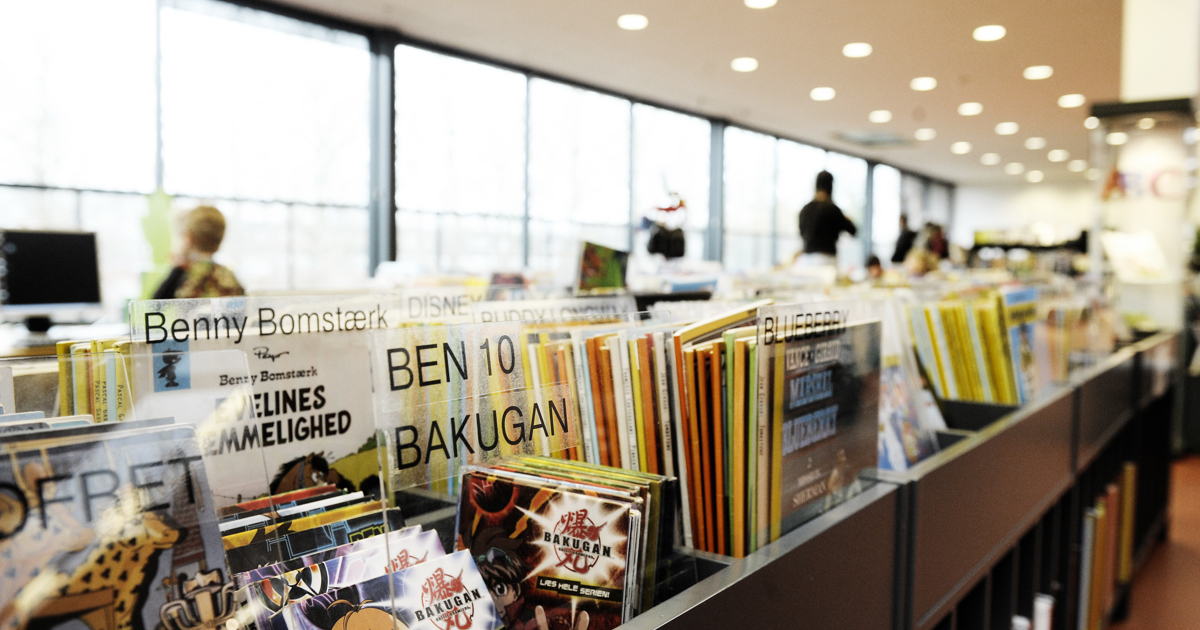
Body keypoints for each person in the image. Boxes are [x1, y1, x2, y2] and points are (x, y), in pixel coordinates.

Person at [152, 205, 245, 299]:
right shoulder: (228, 275)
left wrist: (176, 270)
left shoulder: (187, 277)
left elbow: (155, 304)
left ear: (188, 238)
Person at [797, 171, 857, 266]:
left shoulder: (805, 210)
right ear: (831, 186)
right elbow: (853, 230)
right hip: (826, 261)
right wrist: (847, 219)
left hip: (806, 261)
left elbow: (801, 234)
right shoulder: (833, 209)